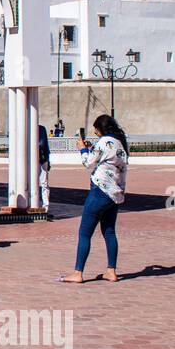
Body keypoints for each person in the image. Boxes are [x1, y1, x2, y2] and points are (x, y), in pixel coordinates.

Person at [58, 114, 129, 284]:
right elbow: (106, 159)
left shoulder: (103, 142)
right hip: (115, 193)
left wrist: (82, 149)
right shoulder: (120, 143)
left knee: (85, 232)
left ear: (100, 129)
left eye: (96, 130)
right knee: (109, 231)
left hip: (100, 191)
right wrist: (93, 149)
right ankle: (111, 271)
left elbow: (88, 163)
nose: (95, 133)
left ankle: (78, 272)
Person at [38, 123, 52, 208]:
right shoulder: (42, 128)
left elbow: (43, 144)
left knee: (44, 183)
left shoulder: (41, 129)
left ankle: (45, 205)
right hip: (35, 159)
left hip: (42, 158)